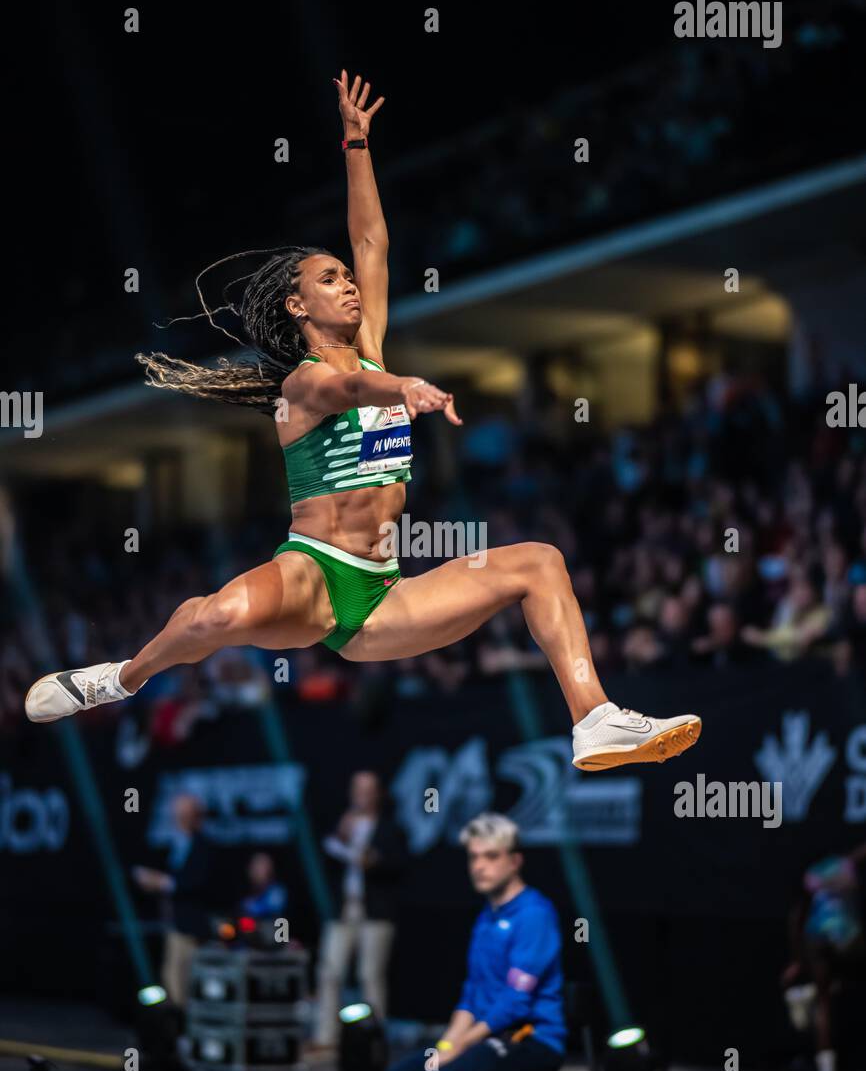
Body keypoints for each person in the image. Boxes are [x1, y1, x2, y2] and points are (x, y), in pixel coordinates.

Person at [23, 70, 701, 773]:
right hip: (314, 571)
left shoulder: (370, 346)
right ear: (296, 306)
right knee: (212, 618)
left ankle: (593, 718)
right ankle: (116, 680)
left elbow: (372, 240)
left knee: (539, 563)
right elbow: (350, 386)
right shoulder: (307, 382)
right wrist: (401, 383)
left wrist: (355, 141)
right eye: (328, 280)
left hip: (382, 594)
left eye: (346, 278)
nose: (347, 284)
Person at [381, 814, 566, 1071]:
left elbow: (515, 1002)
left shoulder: (535, 915)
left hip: (532, 1041)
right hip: (484, 1037)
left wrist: (461, 1046)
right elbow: (471, 994)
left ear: (515, 861)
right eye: (474, 857)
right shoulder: (485, 918)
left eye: (491, 856)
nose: (480, 866)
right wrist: (446, 1045)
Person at [311, 770, 406, 1050]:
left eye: (367, 790)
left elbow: (399, 866)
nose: (361, 796)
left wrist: (374, 860)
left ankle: (373, 1037)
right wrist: (341, 837)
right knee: (329, 971)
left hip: (376, 910)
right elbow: (327, 863)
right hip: (344, 908)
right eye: (357, 789)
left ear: (377, 794)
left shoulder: (389, 828)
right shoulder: (342, 825)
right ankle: (326, 1037)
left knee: (369, 974)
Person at [781, 842, 866, 1071]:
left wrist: (797, 960)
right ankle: (826, 986)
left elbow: (797, 918)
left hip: (820, 939)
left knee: (824, 1003)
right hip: (846, 938)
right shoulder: (845, 865)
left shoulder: (815, 874)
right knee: (827, 997)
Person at [133, 793, 217, 1008]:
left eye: (183, 813)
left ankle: (188, 1032)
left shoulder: (204, 846)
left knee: (185, 983)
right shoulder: (177, 845)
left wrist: (163, 882)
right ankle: (176, 1030)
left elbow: (197, 882)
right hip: (173, 924)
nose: (178, 818)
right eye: (177, 814)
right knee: (170, 981)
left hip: (191, 928)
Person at [240, 851, 288, 920]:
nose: (254, 872)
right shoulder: (250, 894)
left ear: (269, 869)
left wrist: (249, 907)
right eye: (252, 867)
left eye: (259, 867)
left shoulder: (277, 891)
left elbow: (271, 911)